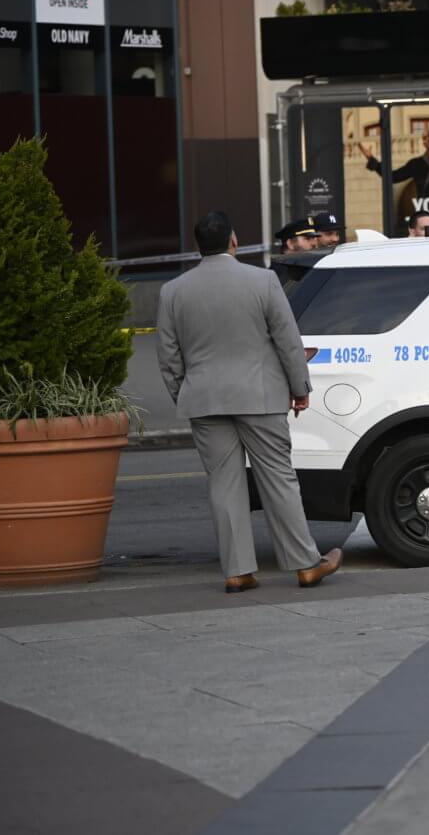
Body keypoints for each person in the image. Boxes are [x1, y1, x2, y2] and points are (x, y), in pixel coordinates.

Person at [156, 212, 343, 594]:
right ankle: (305, 564)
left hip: (204, 398)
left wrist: (186, 393)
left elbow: (168, 356)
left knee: (224, 484)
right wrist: (299, 386)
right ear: (234, 242)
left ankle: (238, 570)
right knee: (278, 479)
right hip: (260, 395)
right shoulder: (263, 281)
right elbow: (287, 339)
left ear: (197, 246)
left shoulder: (173, 291)